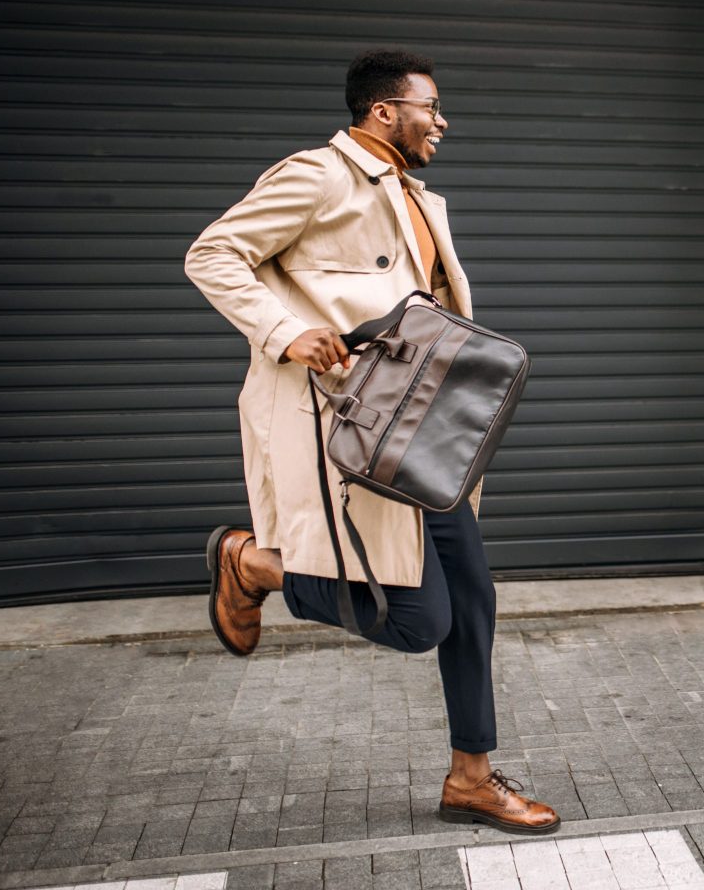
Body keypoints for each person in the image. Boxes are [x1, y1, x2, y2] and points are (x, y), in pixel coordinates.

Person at [184, 48, 558, 835]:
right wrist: (285, 331)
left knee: (473, 598)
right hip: (346, 425)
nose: (442, 121)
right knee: (418, 619)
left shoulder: (412, 195)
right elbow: (212, 253)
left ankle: (471, 779)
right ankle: (249, 563)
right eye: (431, 107)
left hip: (417, 428)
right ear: (384, 111)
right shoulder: (319, 176)